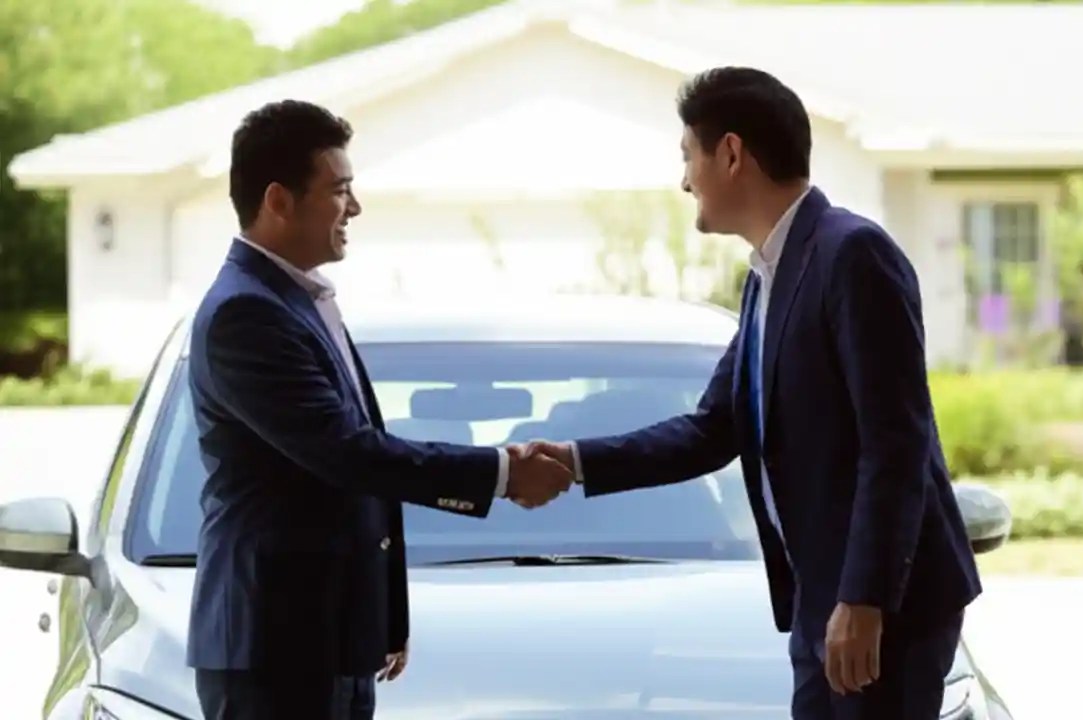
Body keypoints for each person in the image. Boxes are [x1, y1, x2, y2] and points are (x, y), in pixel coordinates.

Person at [519, 67, 982, 720]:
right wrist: (572, 460)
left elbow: (896, 442)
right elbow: (712, 430)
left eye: (688, 156)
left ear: (731, 153)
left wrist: (865, 599)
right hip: (823, 602)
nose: (684, 181)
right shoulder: (770, 273)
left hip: (884, 613)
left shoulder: (853, 255)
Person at [185, 99, 572, 720]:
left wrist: (383, 618)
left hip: (329, 641)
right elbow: (348, 455)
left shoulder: (293, 298)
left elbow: (353, 482)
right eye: (340, 190)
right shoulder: (245, 314)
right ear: (279, 200)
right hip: (273, 651)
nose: (355, 208)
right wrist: (501, 473)